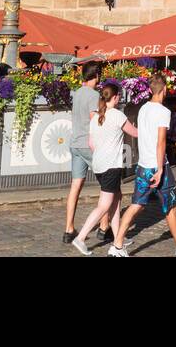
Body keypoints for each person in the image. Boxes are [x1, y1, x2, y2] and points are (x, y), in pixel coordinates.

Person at [109, 74, 176, 257]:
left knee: (137, 204)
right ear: (165, 90)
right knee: (171, 205)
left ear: (151, 89)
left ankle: (117, 245)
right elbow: (160, 142)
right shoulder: (163, 112)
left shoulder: (143, 109)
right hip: (158, 165)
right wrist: (160, 169)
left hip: (143, 164)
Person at [72, 84, 138, 255]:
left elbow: (91, 144)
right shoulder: (117, 115)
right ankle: (80, 238)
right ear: (115, 97)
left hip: (100, 164)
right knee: (104, 206)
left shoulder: (97, 117)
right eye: (119, 97)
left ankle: (118, 239)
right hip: (111, 166)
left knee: (116, 201)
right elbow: (135, 133)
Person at [64, 63, 111, 245]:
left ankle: (68, 228)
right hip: (87, 145)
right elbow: (94, 120)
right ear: (97, 76)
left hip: (75, 143)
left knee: (75, 187)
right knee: (107, 184)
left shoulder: (77, 93)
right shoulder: (93, 95)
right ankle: (104, 227)